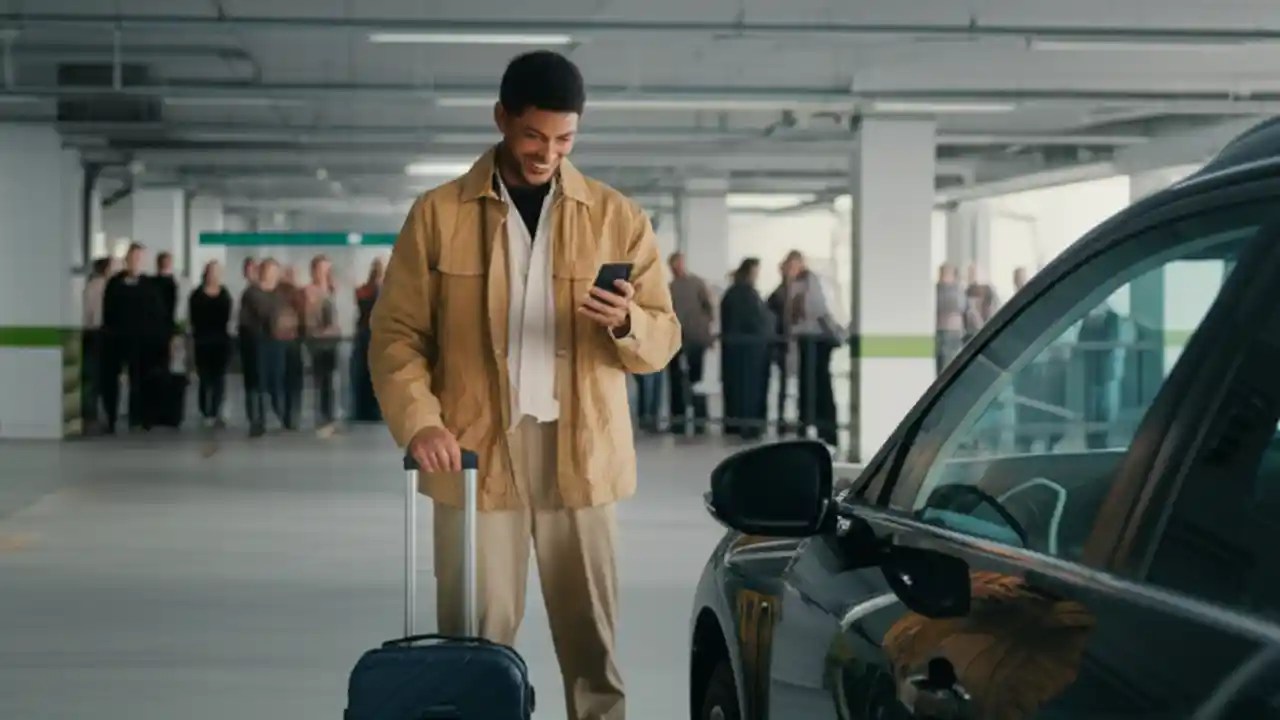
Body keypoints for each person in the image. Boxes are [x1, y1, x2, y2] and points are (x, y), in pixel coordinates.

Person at [369, 50, 680, 720]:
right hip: (471, 452)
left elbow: (664, 336)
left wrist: (628, 323)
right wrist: (419, 420)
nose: (548, 153)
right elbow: (396, 336)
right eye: (534, 136)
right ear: (502, 119)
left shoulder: (615, 216)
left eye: (565, 139)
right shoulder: (439, 214)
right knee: (472, 647)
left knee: (593, 648)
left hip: (583, 455)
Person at [102, 243, 167, 433]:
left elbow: (157, 315)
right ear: (126, 259)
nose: (135, 261)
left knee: (140, 380)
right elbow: (108, 311)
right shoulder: (115, 283)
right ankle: (111, 417)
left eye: (139, 258)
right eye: (132, 257)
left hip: (142, 341)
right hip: (116, 339)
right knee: (111, 381)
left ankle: (138, 417)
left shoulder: (149, 286)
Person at [784, 250, 841, 447]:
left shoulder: (808, 281)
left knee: (818, 385)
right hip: (806, 339)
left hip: (816, 340)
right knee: (808, 385)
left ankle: (825, 429)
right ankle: (810, 425)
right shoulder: (795, 283)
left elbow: (816, 309)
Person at [719, 258, 771, 441]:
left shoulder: (733, 294)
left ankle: (738, 424)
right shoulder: (745, 295)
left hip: (739, 353)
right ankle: (747, 425)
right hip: (748, 353)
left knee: (738, 389)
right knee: (747, 390)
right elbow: (757, 322)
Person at [239, 258, 292, 437]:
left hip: (276, 345)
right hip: (257, 346)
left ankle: (282, 416)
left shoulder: (279, 295)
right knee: (256, 385)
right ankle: (256, 421)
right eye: (270, 271)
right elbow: (264, 315)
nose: (274, 276)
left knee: (276, 382)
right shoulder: (252, 294)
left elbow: (286, 316)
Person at [666, 251, 715, 436]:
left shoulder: (697, 284)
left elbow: (708, 307)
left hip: (695, 338)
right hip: (675, 340)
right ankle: (678, 420)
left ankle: (700, 419)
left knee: (697, 380)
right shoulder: (669, 288)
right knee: (676, 381)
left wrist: (703, 328)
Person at [188, 260, 233, 428]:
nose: (214, 275)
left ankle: (216, 410)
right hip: (203, 341)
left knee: (219, 378)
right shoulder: (197, 294)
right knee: (205, 378)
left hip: (220, 341)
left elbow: (227, 316)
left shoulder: (224, 293)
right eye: (211, 272)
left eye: (217, 272)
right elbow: (194, 319)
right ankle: (205, 410)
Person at [303, 254, 341, 437]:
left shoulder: (332, 289)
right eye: (321, 269)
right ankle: (322, 419)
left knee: (331, 382)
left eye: (327, 269)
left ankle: (331, 417)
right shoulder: (310, 291)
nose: (324, 273)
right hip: (318, 343)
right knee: (321, 381)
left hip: (333, 342)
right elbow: (310, 321)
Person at [350, 257, 385, 422]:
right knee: (364, 375)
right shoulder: (366, 291)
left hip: (376, 337)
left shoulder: (388, 290)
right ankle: (365, 410)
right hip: (367, 336)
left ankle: (374, 410)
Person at [81, 256, 114, 432]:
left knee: (91, 376)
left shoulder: (89, 286)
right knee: (99, 377)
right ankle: (94, 416)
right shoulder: (106, 287)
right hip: (101, 333)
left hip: (89, 333)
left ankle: (90, 416)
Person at [237, 257, 262, 429]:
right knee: (252, 381)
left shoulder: (261, 292)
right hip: (249, 341)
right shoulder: (247, 292)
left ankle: (258, 417)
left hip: (260, 340)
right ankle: (254, 418)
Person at [936, 263, 965, 375]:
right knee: (940, 361)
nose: (943, 276)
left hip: (954, 331)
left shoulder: (958, 289)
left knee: (951, 361)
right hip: (940, 330)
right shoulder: (937, 289)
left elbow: (959, 306)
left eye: (946, 273)